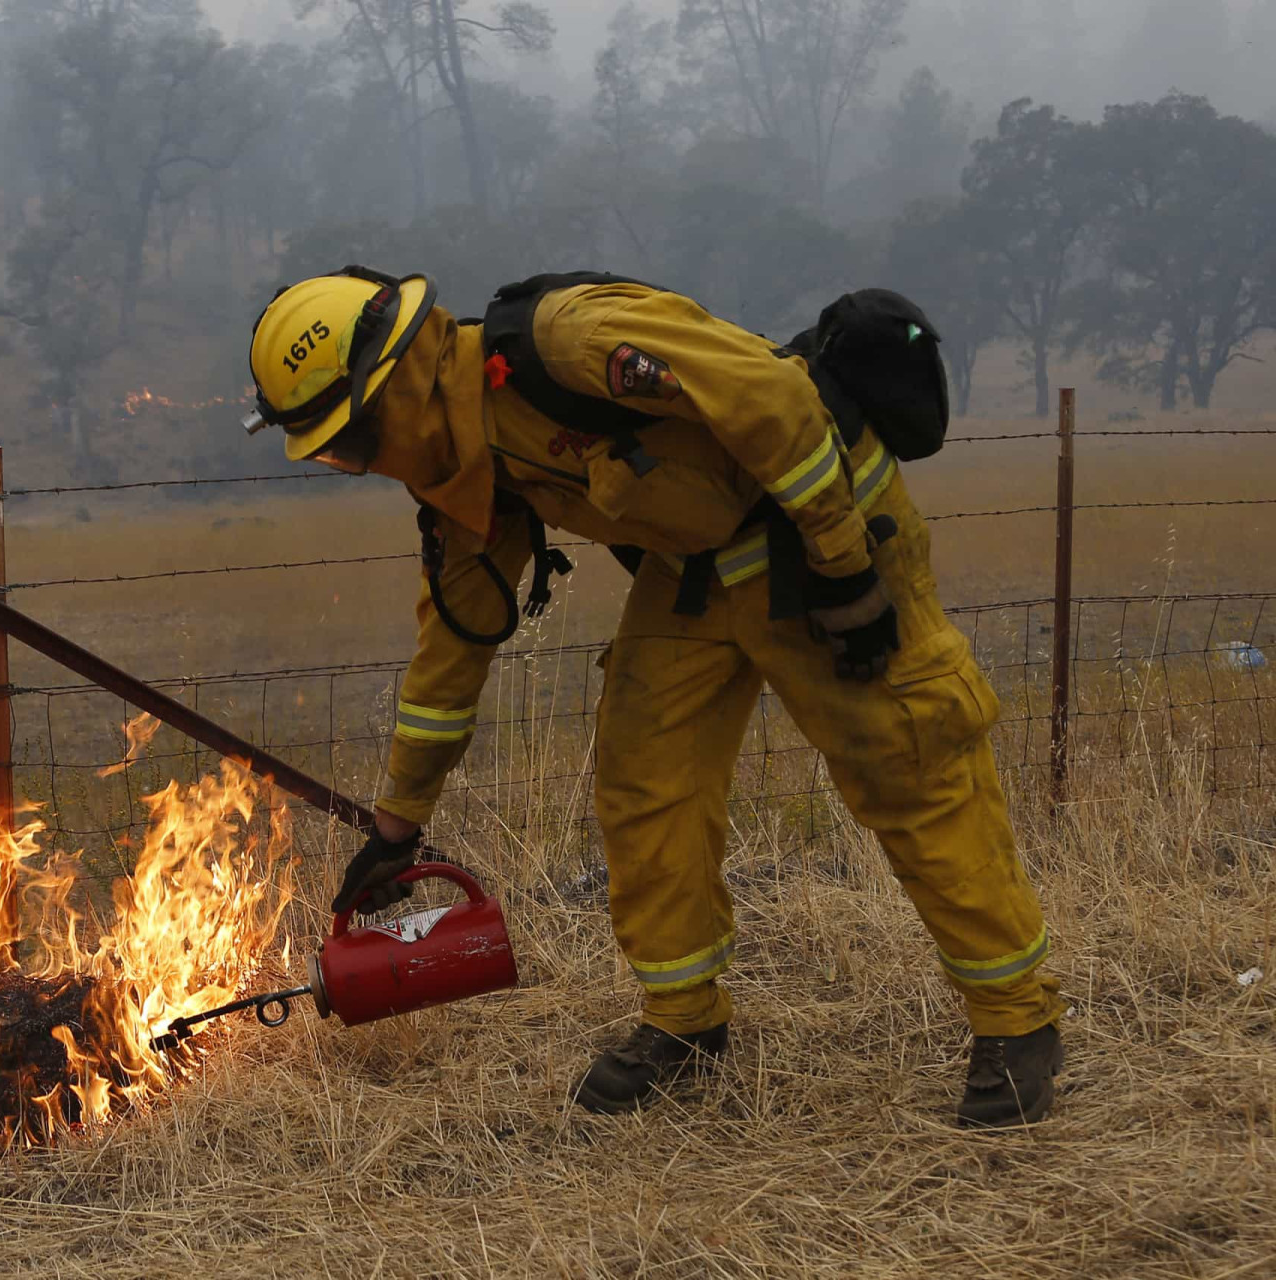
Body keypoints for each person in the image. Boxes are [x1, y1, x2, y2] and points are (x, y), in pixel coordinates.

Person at [242, 266, 1065, 1127]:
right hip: (698, 568)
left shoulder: (572, 341)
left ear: (396, 387)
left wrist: (845, 566)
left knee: (909, 761)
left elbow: (775, 400)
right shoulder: (467, 469)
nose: (357, 468)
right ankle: (685, 1022)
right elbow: (452, 652)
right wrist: (396, 829)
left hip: (819, 529)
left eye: (348, 445)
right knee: (645, 777)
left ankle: (1018, 1021)